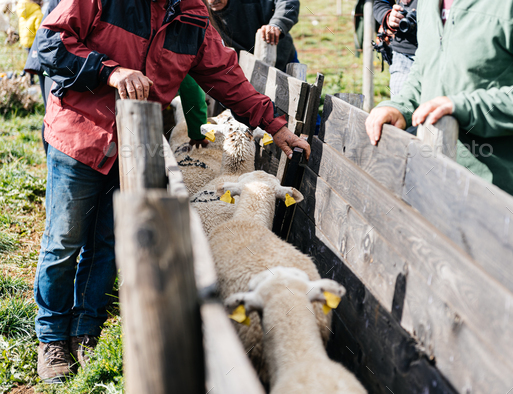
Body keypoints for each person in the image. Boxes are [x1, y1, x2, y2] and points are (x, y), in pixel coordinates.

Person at [34, 0, 310, 384]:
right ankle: (51, 340)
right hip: (80, 136)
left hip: (137, 147)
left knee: (107, 243)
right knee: (63, 241)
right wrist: (109, 71)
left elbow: (225, 75)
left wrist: (274, 125)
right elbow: (49, 43)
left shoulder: (192, 16)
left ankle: (85, 332)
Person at [365, 0, 513, 221]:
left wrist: (467, 108)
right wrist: (401, 105)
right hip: (437, 185)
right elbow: (426, 65)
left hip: (510, 198)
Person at [207, 0, 299, 72]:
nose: (212, 1)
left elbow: (288, 2)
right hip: (238, 72)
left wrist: (278, 24)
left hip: (282, 60)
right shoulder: (200, 12)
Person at [24, 0, 61, 154]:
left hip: (43, 57)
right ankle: (50, 158)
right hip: (46, 60)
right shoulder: (55, 5)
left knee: (50, 112)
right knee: (51, 113)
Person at [373, 0, 418, 98]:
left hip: (442, 55)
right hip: (404, 56)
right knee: (402, 109)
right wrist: (389, 18)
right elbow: (380, 3)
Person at [16, 0, 42, 84]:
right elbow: (40, 31)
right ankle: (38, 78)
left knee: (29, 60)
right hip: (34, 42)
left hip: (25, 40)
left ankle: (30, 78)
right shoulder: (37, 12)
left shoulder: (21, 11)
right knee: (36, 61)